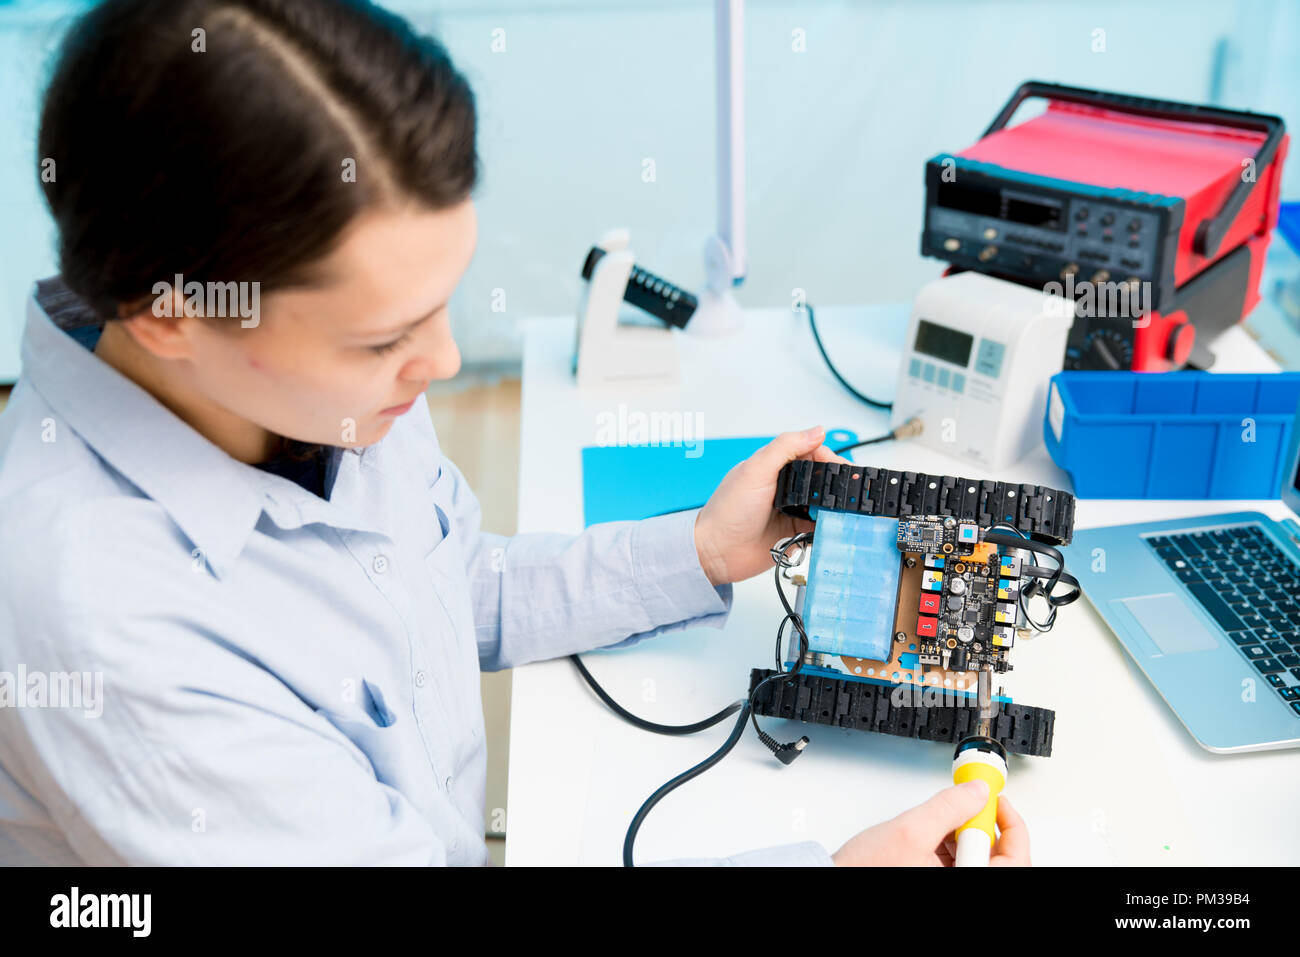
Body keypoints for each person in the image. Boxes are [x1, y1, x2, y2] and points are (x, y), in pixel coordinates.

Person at [0, 0, 1028, 866]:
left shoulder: (312, 388)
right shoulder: (111, 630)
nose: (444, 361)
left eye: (444, 300)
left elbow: (437, 590)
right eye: (386, 336)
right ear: (170, 312)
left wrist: (700, 548)